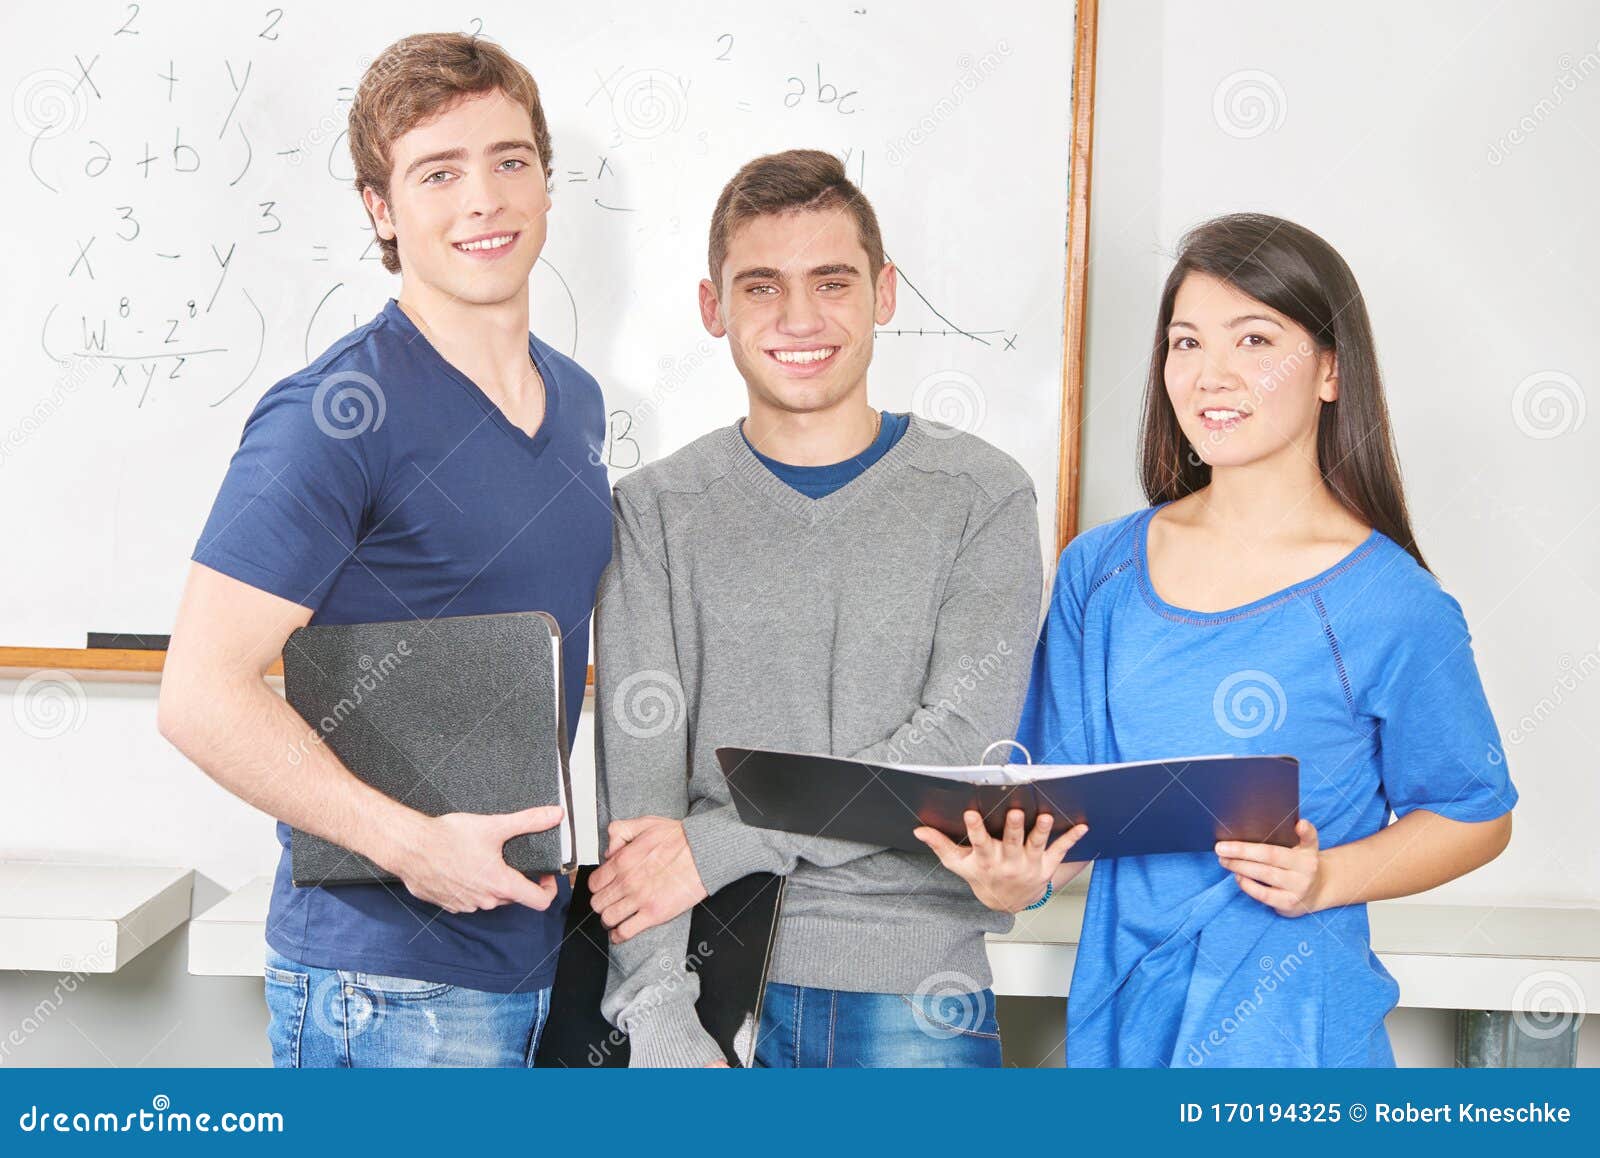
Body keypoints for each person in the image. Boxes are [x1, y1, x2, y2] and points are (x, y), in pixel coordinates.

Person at [935, 213, 1516, 1067]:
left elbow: (1478, 813)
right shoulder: (1100, 571)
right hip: (1122, 1028)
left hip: (1295, 1042)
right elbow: (1056, 813)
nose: (1212, 375)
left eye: (1254, 340)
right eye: (1185, 342)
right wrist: (1017, 876)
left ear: (1329, 370)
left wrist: (1331, 878)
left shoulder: (1393, 603)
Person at [157, 33, 611, 1067]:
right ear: (380, 208)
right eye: (437, 173)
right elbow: (199, 692)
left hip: (543, 961)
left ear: (545, 178)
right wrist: (411, 846)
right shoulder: (335, 414)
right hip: (386, 988)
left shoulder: (576, 401)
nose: (484, 201)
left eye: (509, 161)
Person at [587, 149, 1070, 1068]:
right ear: (712, 307)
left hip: (915, 991)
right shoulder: (652, 511)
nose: (799, 318)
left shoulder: (980, 496)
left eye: (832, 281)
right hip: (710, 983)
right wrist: (656, 1018)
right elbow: (640, 819)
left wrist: (731, 839)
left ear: (885, 293)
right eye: (761, 285)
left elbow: (951, 754)